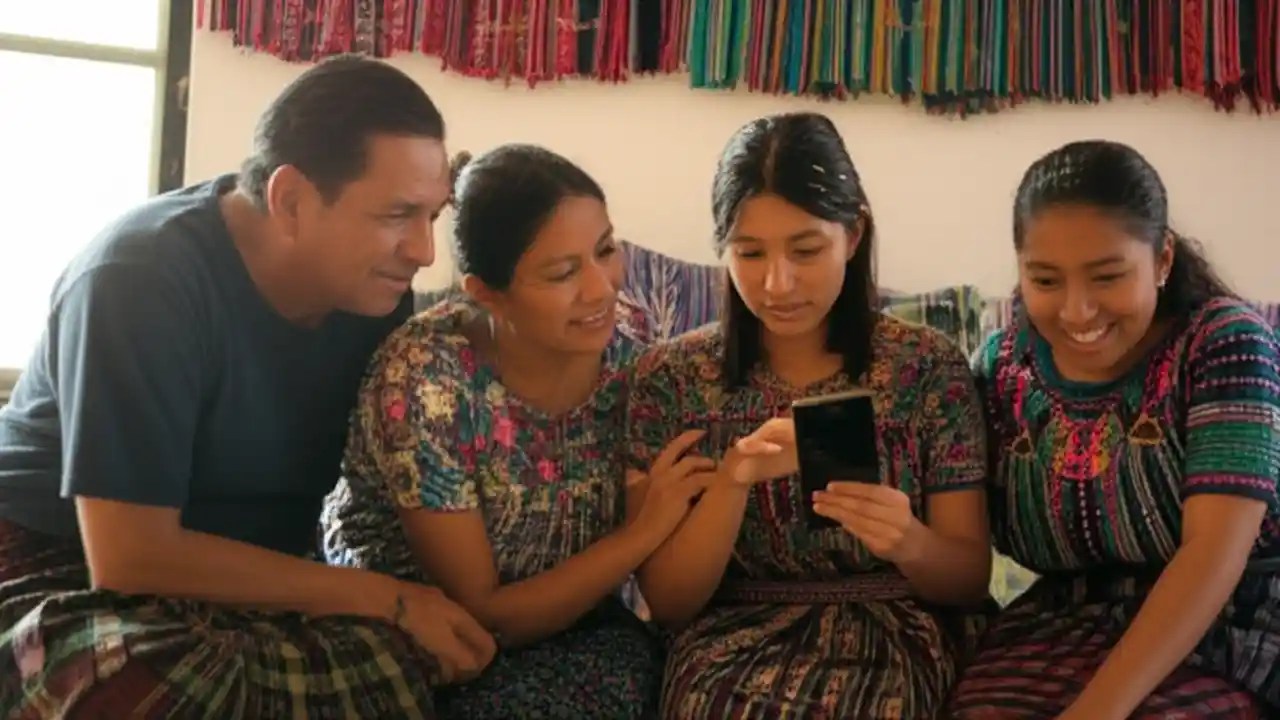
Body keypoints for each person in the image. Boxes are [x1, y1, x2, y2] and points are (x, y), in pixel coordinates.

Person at [0, 55, 495, 718]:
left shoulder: (375, 296)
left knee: (429, 656)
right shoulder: (139, 278)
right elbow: (128, 558)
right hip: (66, 570)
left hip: (245, 589)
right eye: (397, 215)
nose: (424, 251)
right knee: (134, 685)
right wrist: (386, 597)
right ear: (289, 199)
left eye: (433, 215)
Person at [625, 112, 994, 719]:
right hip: (728, 641)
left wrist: (910, 540)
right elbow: (668, 603)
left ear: (853, 235)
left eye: (806, 249)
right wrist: (733, 478)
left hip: (897, 633)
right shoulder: (671, 380)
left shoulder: (925, 367)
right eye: (749, 253)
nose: (778, 283)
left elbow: (968, 579)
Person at [322, 144, 707, 719]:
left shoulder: (636, 375)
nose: (602, 289)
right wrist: (639, 533)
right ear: (485, 293)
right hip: (415, 628)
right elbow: (483, 615)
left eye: (605, 250)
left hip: (576, 625)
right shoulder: (426, 382)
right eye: (562, 273)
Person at [946, 140, 1280, 719]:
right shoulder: (999, 367)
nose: (1077, 312)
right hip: (1059, 623)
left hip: (1231, 622)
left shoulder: (1225, 344)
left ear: (1163, 259)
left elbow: (1213, 555)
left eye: (1107, 277)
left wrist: (1096, 710)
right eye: (1045, 281)